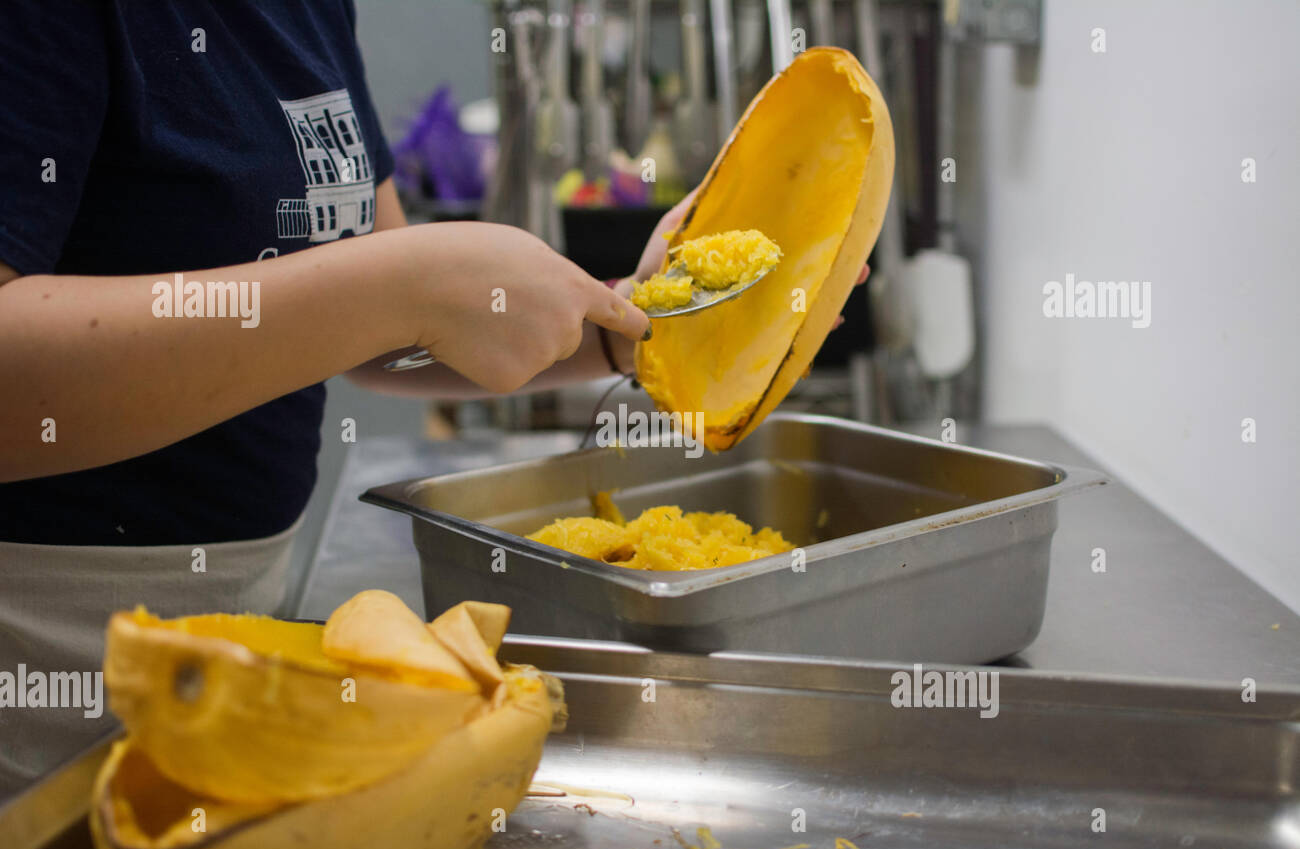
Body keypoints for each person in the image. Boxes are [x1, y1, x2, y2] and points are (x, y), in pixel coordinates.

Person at [0, 1, 867, 799]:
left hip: (230, 643)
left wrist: (628, 323)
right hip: (44, 672)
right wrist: (404, 285)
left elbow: (374, 334)